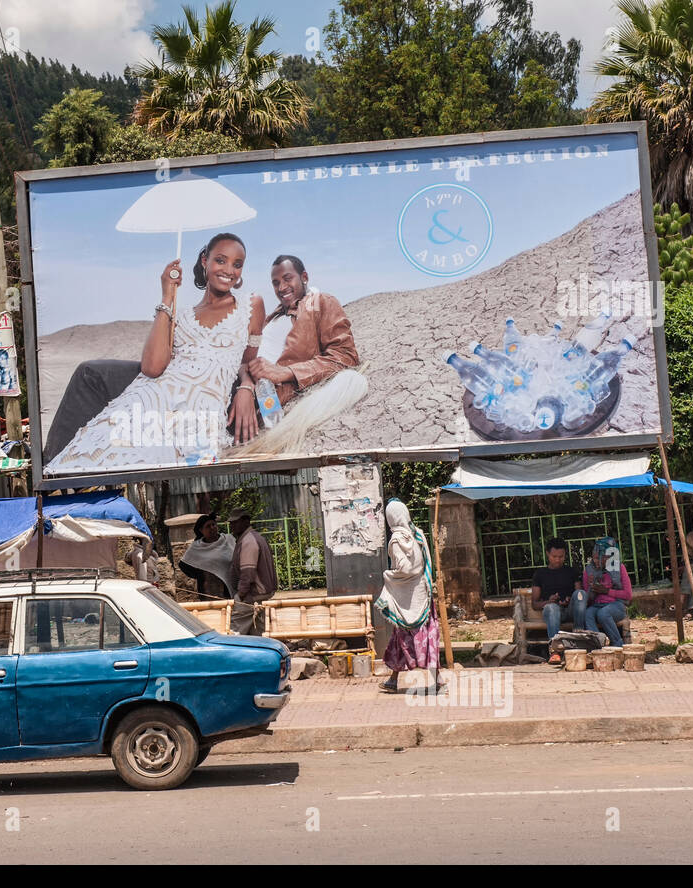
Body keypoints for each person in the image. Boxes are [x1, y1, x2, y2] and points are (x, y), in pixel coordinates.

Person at [44, 233, 265, 472]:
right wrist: (167, 295)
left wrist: (246, 388)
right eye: (221, 260)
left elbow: (247, 363)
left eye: (237, 264)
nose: (229, 270)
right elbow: (152, 368)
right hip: (154, 396)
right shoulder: (181, 315)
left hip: (200, 409)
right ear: (205, 260)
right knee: (97, 451)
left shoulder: (251, 305)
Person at [228, 255, 367, 457]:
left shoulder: (321, 302)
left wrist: (286, 372)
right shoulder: (272, 317)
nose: (281, 287)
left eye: (287, 279)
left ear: (304, 277)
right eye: (275, 283)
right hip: (242, 383)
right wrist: (246, 385)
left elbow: (345, 355)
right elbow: (247, 359)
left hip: (267, 395)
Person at [375, 499, 443, 695]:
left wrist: (389, 575)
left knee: (403, 637)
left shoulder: (397, 540)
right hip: (422, 593)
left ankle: (434, 680)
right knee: (424, 637)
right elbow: (423, 563)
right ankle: (394, 680)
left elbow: (405, 568)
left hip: (406, 598)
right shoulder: (417, 534)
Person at [531, 538, 588, 663]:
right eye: (554, 556)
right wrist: (549, 602)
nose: (557, 560)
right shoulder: (540, 574)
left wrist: (569, 599)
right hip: (553, 612)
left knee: (580, 593)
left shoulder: (572, 571)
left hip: (571, 611)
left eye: (561, 556)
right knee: (552, 608)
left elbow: (579, 595)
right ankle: (555, 651)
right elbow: (534, 604)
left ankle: (579, 639)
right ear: (547, 554)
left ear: (565, 555)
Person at [228, 508, 277, 635]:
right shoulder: (254, 537)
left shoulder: (248, 541)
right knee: (259, 634)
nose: (232, 526)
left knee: (233, 633)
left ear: (246, 521)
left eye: (235, 522)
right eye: (231, 523)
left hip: (252, 596)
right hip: (260, 595)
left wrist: (240, 594)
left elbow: (247, 573)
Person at [583, 536, 632, 647]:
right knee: (587, 614)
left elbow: (628, 595)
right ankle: (597, 646)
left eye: (599, 558)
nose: (595, 561)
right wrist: (591, 588)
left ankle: (618, 645)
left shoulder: (619, 568)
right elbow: (588, 600)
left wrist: (606, 591)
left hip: (617, 605)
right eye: (594, 558)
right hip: (597, 605)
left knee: (603, 613)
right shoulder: (589, 571)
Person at [179, 513, 236, 599]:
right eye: (208, 526)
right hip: (207, 589)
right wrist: (201, 573)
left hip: (228, 586)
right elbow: (183, 565)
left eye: (213, 524)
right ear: (201, 530)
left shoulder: (228, 540)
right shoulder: (197, 547)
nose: (212, 528)